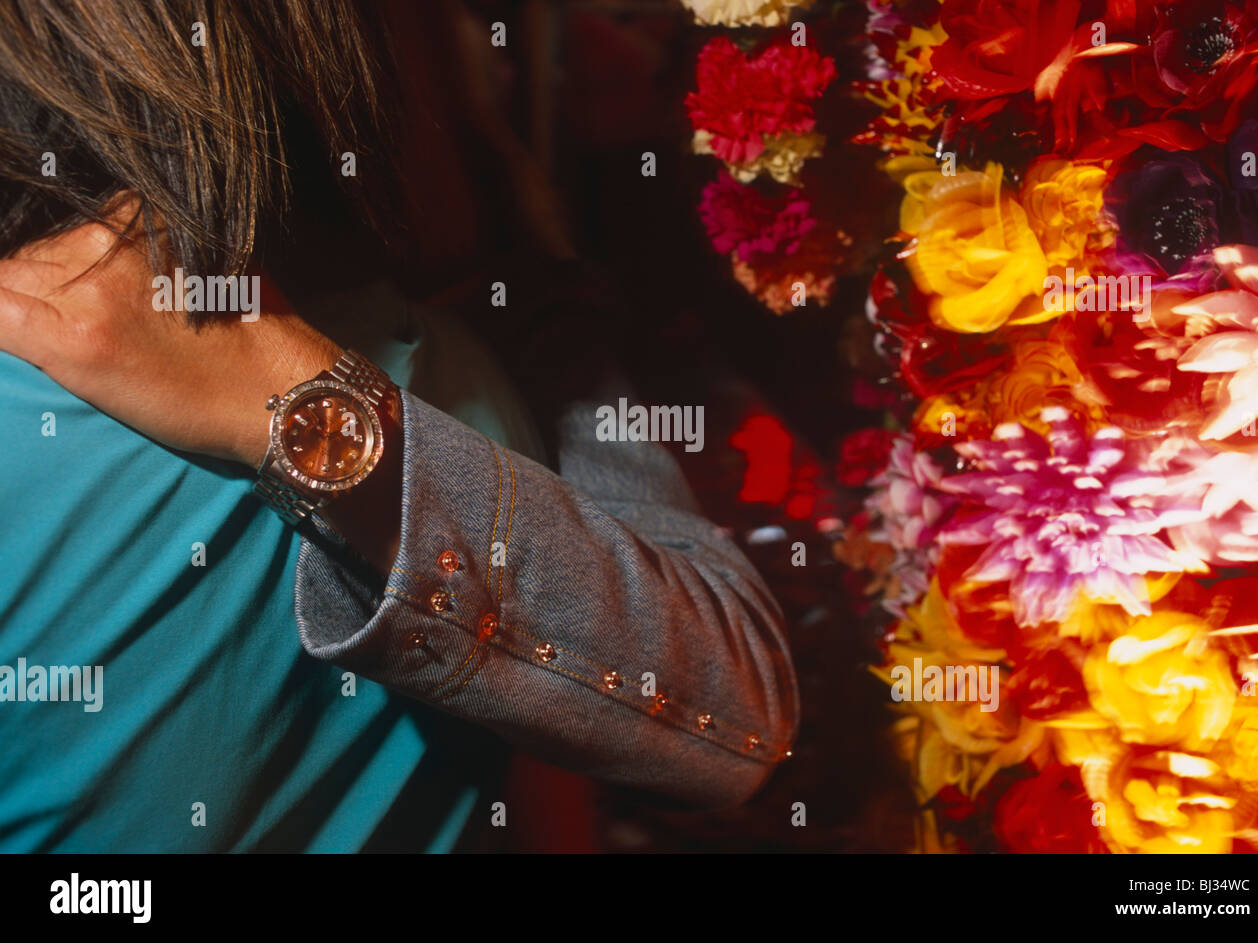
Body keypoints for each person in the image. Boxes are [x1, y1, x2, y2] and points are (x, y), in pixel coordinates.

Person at [0, 0, 797, 851]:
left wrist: (293, 393)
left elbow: (724, 703)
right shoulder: (462, 366)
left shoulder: (476, 350)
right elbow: (728, 714)